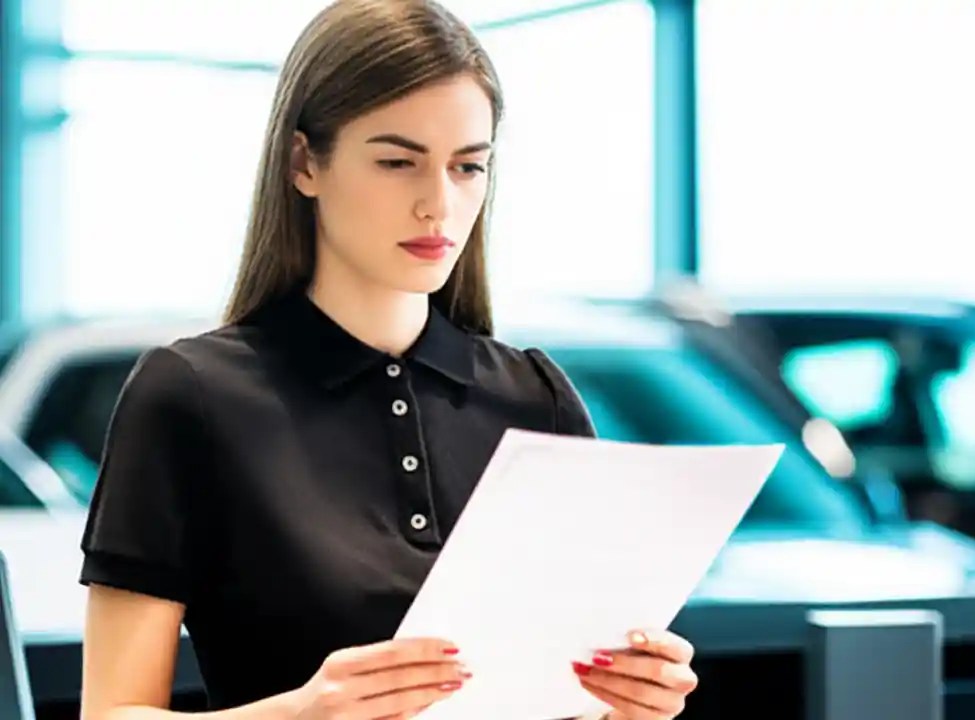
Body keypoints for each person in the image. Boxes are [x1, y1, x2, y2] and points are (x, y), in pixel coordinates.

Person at [77, 1, 698, 718]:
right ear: (304, 162)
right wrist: (303, 714)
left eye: (468, 167)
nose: (438, 203)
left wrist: (632, 705)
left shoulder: (537, 399)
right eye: (398, 162)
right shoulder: (190, 396)